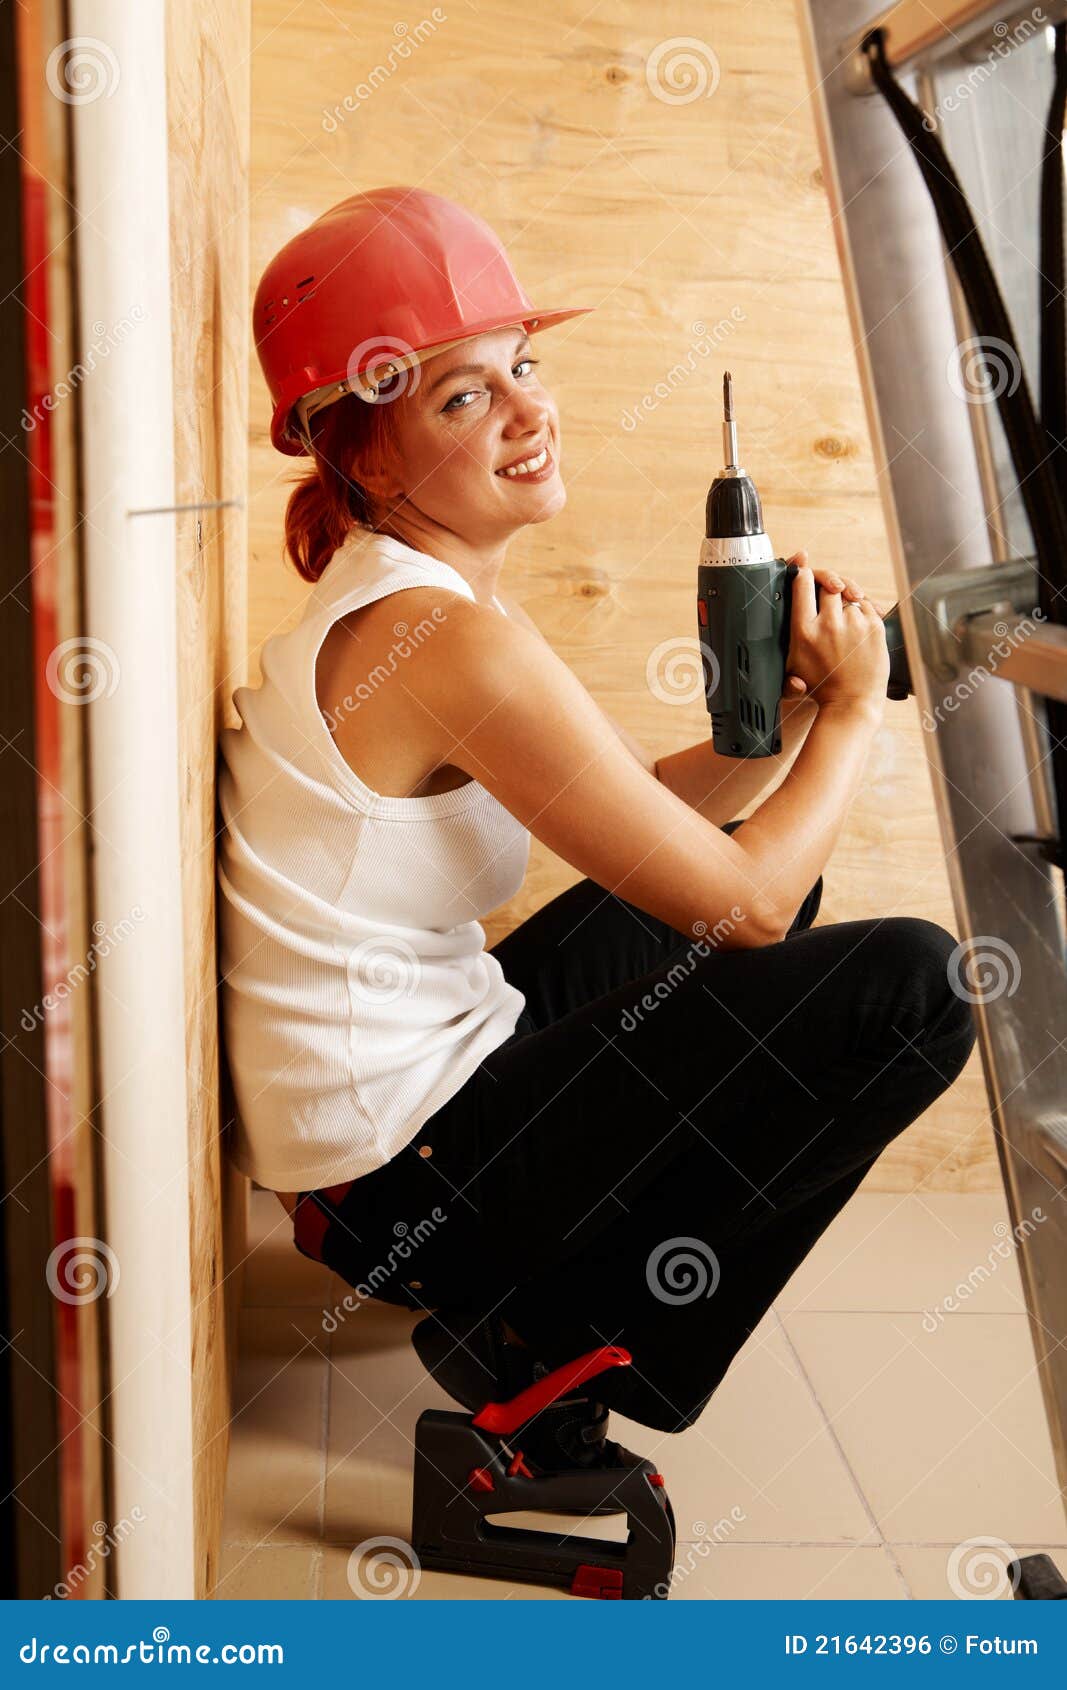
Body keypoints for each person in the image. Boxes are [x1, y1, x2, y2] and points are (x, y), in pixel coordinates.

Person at [216, 186, 976, 1477]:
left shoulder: (418, 599)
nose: (527, 409)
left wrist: (772, 725)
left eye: (522, 366)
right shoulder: (445, 642)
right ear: (372, 456)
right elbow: (728, 902)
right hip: (404, 1187)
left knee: (792, 885)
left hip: (401, 1121)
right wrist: (850, 713)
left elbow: (645, 809)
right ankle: (555, 1339)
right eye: (463, 397)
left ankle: (548, 1304)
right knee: (915, 987)